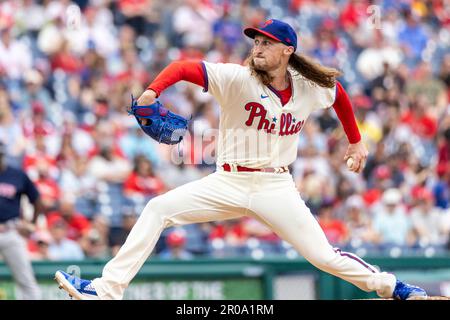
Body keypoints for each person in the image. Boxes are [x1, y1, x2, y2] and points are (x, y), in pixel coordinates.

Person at [55, 19, 427, 300]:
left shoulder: (310, 88)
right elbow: (186, 67)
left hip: (276, 186)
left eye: (267, 42)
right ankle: (105, 290)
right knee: (156, 208)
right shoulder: (236, 78)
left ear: (287, 51)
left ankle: (395, 288)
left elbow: (340, 93)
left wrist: (356, 141)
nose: (258, 47)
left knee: (324, 257)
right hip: (228, 181)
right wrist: (153, 92)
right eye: (256, 41)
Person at [0, 142, 42, 299]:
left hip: (11, 231)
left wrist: (32, 224)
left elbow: (37, 201)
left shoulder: (17, 175)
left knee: (26, 282)